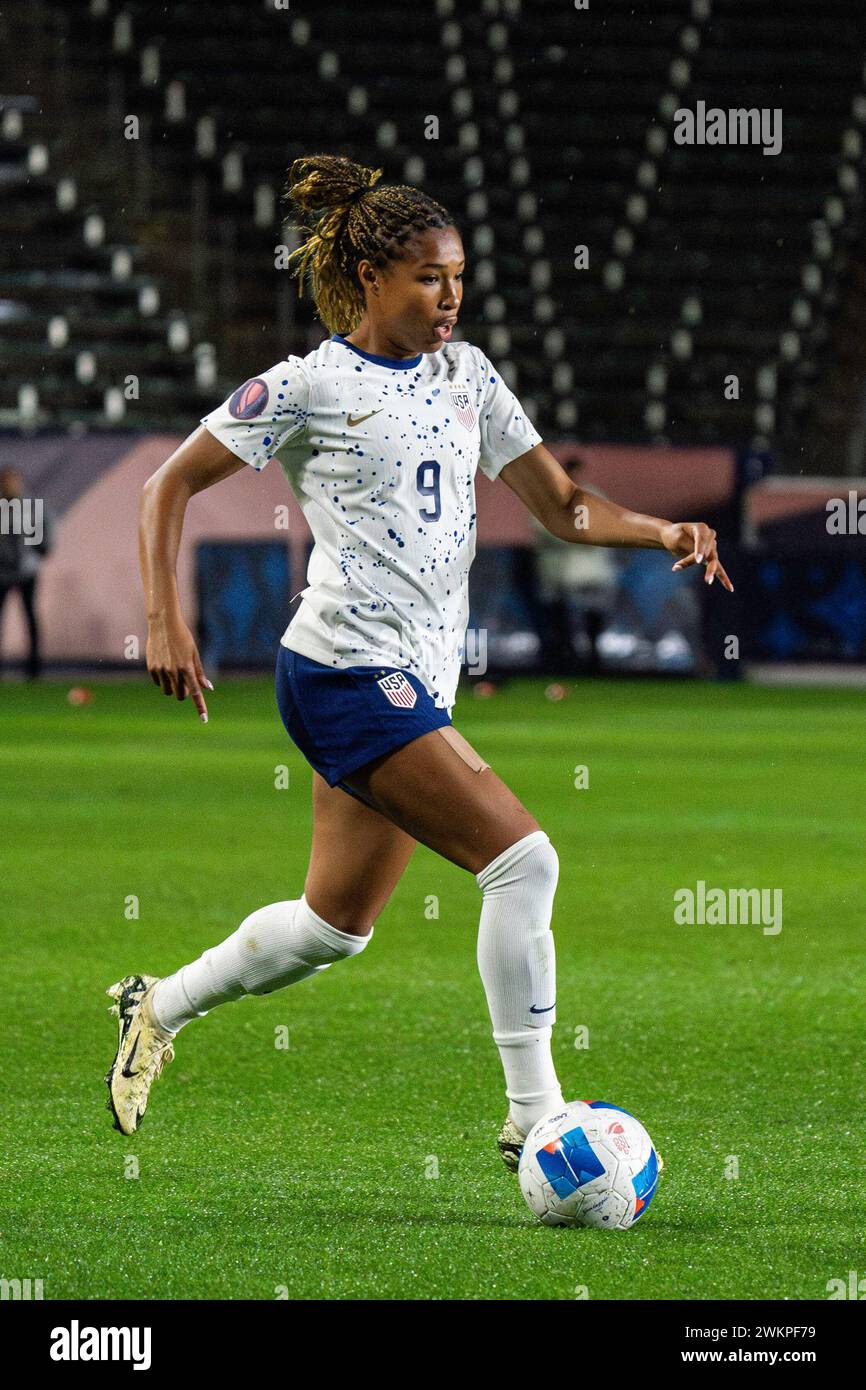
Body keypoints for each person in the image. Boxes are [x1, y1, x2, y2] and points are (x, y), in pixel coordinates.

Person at [105, 155, 732, 1173]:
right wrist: (164, 621)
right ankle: (536, 1114)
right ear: (367, 279)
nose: (448, 298)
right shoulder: (308, 386)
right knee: (524, 860)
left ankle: (156, 1005)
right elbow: (165, 486)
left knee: (332, 927)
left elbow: (564, 506)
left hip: (414, 678)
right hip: (346, 668)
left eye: (457, 277)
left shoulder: (465, 375)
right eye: (426, 278)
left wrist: (660, 530)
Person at [532, 454, 619, 674]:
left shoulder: (594, 496)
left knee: (594, 617)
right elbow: (544, 530)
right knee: (560, 620)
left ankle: (593, 660)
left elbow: (609, 523)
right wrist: (577, 536)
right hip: (561, 571)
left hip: (592, 571)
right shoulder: (549, 497)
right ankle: (563, 661)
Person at [0, 467, 52, 680]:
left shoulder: (31, 507)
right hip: (1, 573)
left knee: (30, 618)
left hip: (26, 571)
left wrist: (36, 544)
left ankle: (34, 669)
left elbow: (43, 542)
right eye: (7, 481)